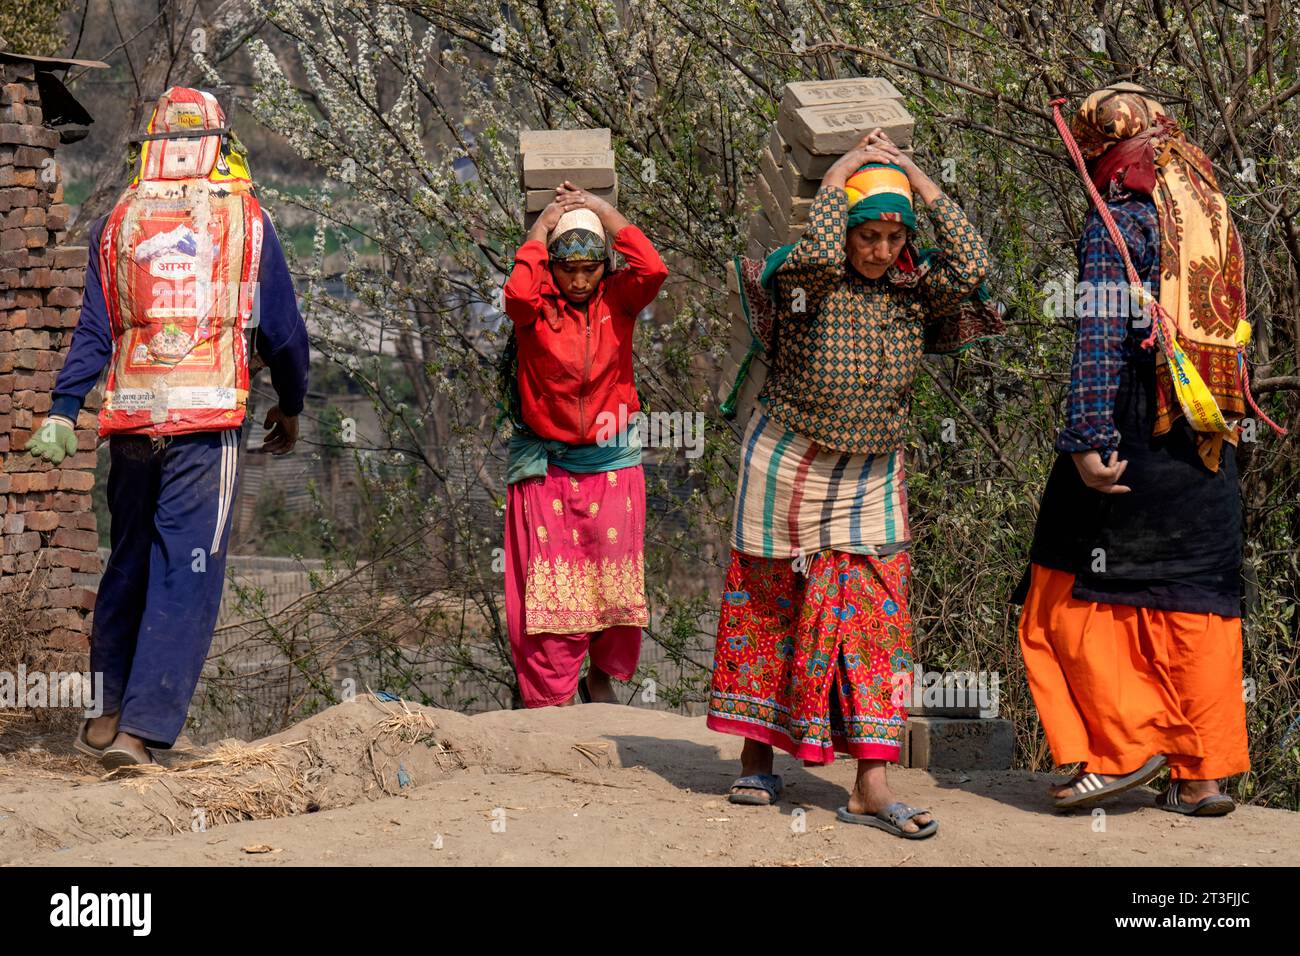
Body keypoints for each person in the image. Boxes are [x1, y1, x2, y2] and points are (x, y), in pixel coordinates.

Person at [707, 129, 993, 837]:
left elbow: (975, 264)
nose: (882, 250)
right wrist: (840, 175)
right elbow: (805, 257)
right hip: (789, 466)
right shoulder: (811, 283)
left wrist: (916, 177)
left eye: (896, 236)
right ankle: (756, 757)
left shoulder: (913, 293)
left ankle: (871, 782)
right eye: (870, 234)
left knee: (873, 625)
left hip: (870, 477)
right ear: (845, 232)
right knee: (769, 609)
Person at [26, 87, 309, 768]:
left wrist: (65, 408)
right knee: (187, 570)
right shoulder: (246, 221)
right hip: (207, 427)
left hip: (131, 423)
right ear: (220, 144)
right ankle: (139, 734)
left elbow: (95, 328)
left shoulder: (118, 222)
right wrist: (291, 402)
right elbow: (283, 333)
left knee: (128, 560)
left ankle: (106, 710)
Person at [1015, 84, 1251, 815]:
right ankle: (1200, 774)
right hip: (1208, 441)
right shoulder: (1211, 214)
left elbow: (1099, 337)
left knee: (1065, 597)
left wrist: (1088, 438)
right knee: (1193, 600)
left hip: (1131, 430)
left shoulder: (1120, 220)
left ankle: (1116, 754)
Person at [500, 180, 668, 708]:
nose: (577, 279)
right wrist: (543, 226)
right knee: (550, 589)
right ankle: (551, 702)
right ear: (550, 265)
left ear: (605, 267)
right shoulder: (537, 310)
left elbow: (654, 268)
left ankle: (602, 677)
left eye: (589, 268)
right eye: (566, 267)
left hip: (612, 463)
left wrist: (601, 209)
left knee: (611, 582)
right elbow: (516, 294)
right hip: (548, 466)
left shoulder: (619, 300)